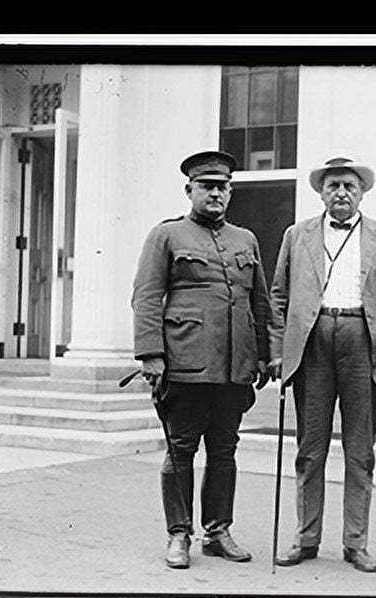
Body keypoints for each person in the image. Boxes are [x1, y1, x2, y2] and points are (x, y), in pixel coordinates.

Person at [268, 154, 376, 573]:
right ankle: (306, 538)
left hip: (363, 342)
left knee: (359, 451)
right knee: (310, 450)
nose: (341, 193)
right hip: (313, 342)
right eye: (332, 186)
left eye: (350, 186)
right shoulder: (297, 235)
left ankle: (355, 543)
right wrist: (279, 350)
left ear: (362, 191)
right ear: (320, 192)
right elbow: (278, 297)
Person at [132, 150, 271, 569]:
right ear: (189, 190)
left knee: (225, 450)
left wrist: (265, 355)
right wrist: (151, 354)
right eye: (207, 186)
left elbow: (259, 301)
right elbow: (146, 295)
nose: (215, 193)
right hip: (186, 362)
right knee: (181, 450)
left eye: (222, 186)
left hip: (235, 366)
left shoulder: (245, 239)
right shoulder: (167, 236)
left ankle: (218, 531)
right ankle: (179, 534)